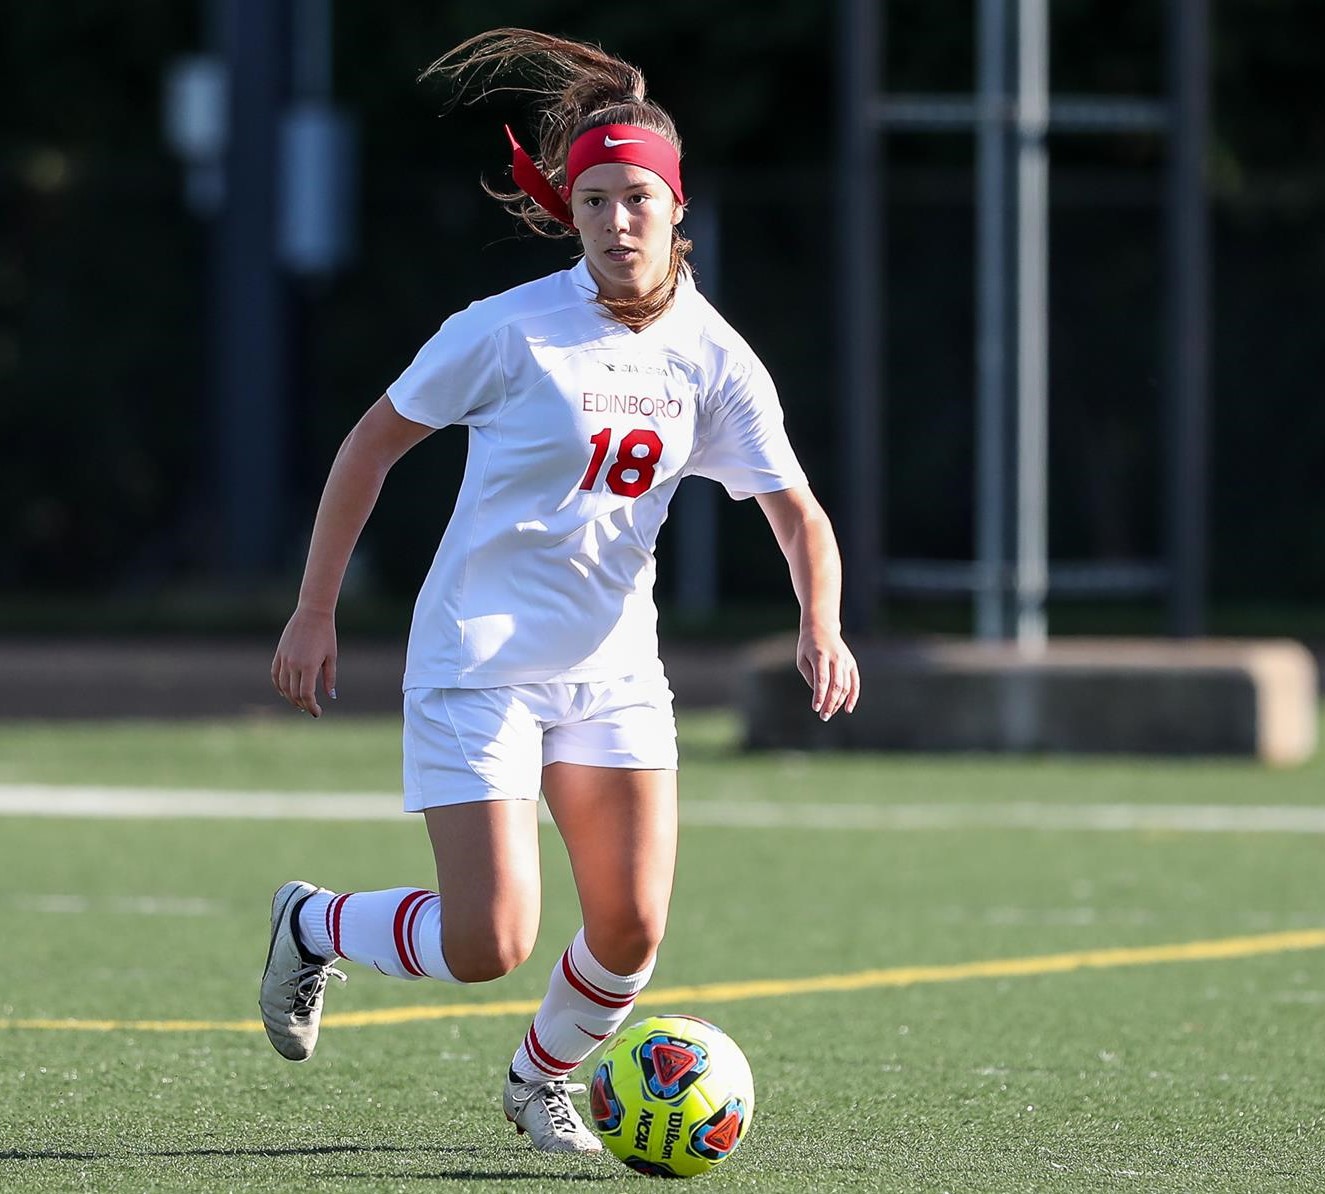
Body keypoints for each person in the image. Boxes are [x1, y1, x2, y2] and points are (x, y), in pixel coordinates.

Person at [260, 27, 860, 1155]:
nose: (616, 222)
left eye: (636, 198)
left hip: (611, 666)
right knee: (491, 940)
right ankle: (314, 922)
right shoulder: (505, 330)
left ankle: (542, 1085)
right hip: (478, 661)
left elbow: (797, 511)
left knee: (630, 926)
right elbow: (369, 447)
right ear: (567, 212)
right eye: (592, 201)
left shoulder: (714, 356)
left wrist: (820, 622)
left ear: (678, 208)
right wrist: (314, 607)